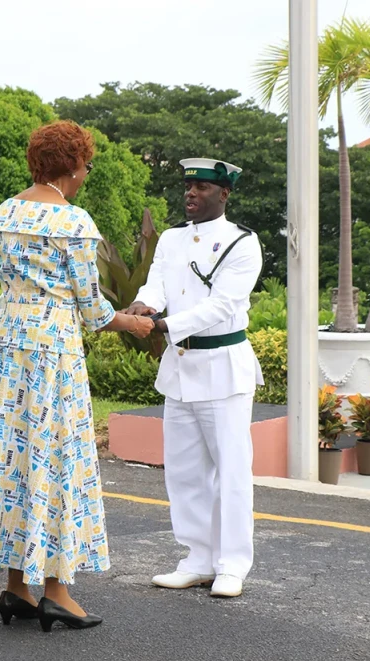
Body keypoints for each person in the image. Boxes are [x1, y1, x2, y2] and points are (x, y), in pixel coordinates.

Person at [0, 120, 155, 632]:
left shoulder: (7, 214)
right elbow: (91, 308)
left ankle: (15, 587)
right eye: (87, 164)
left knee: (15, 458)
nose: (87, 173)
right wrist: (134, 323)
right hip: (54, 351)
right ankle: (56, 591)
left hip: (10, 349)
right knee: (55, 458)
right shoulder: (73, 222)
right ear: (73, 166)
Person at [125, 158, 263, 599]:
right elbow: (156, 285)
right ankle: (198, 558)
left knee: (232, 472)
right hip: (181, 369)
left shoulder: (243, 243)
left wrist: (164, 326)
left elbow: (223, 306)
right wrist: (143, 307)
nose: (190, 193)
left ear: (224, 194)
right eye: (188, 186)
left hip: (223, 367)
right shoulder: (170, 238)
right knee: (184, 472)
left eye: (202, 187)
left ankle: (232, 564)